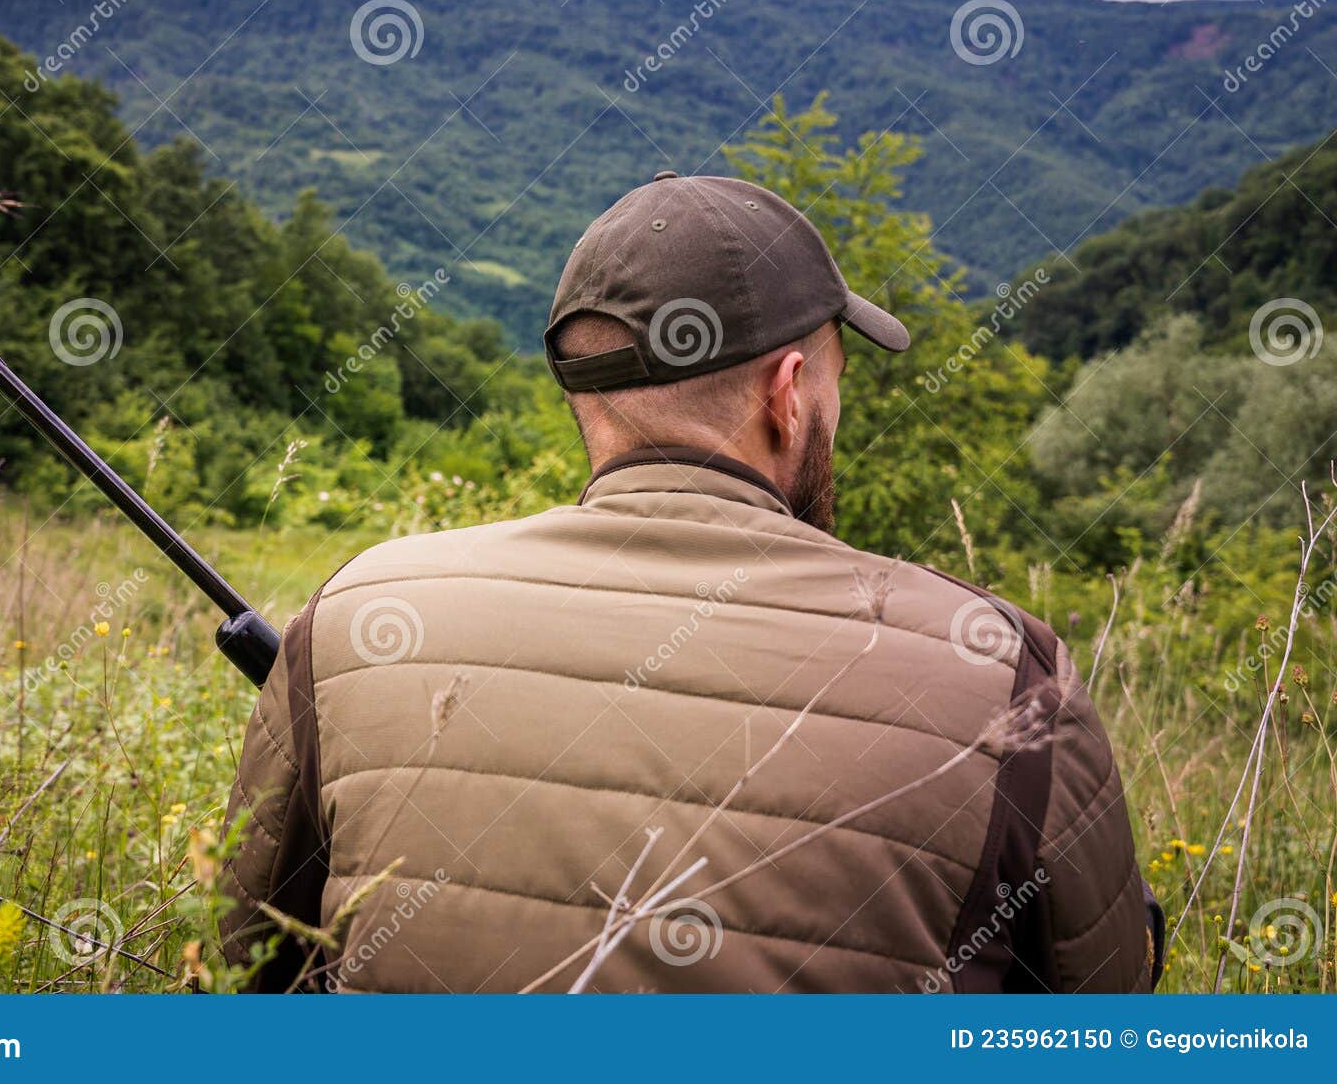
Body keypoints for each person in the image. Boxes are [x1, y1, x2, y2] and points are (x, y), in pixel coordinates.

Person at [221, 171, 1162, 993]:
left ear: (584, 391)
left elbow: (247, 962)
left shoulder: (357, 611)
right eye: (834, 384)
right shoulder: (1004, 668)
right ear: (787, 393)